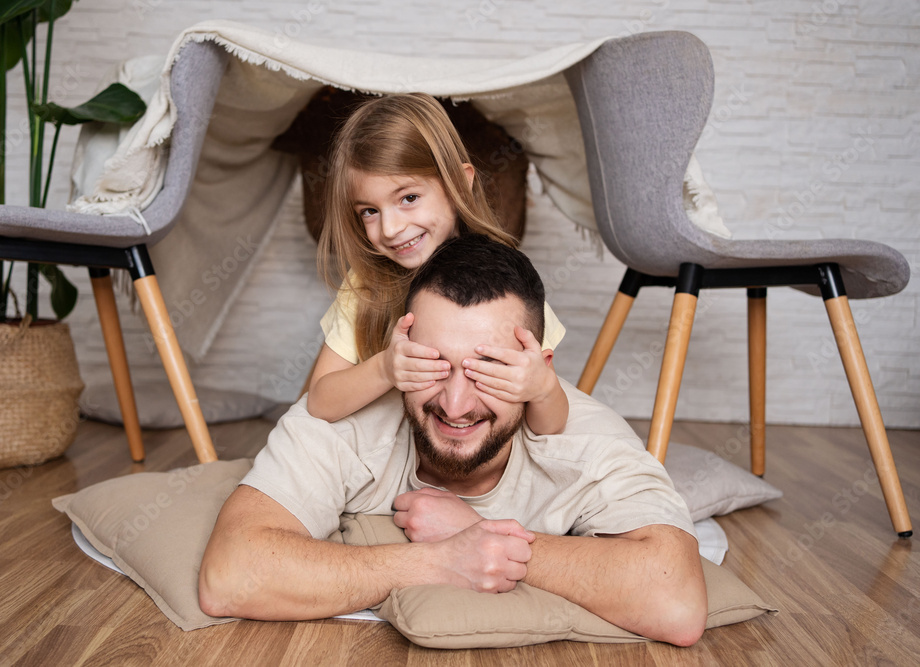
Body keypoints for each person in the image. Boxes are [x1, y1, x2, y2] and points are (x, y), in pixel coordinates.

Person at [200, 235, 707, 646]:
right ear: (402, 352)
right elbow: (229, 575)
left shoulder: (584, 436)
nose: (456, 404)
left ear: (536, 370)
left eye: (488, 370)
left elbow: (677, 603)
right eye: (433, 365)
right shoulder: (349, 419)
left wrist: (482, 534)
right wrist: (441, 560)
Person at [306, 93, 569, 436]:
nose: (390, 229)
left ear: (459, 182)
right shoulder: (366, 284)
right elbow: (319, 402)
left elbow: (548, 427)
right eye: (369, 211)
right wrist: (385, 369)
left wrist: (542, 389)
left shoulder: (505, 285)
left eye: (408, 198)